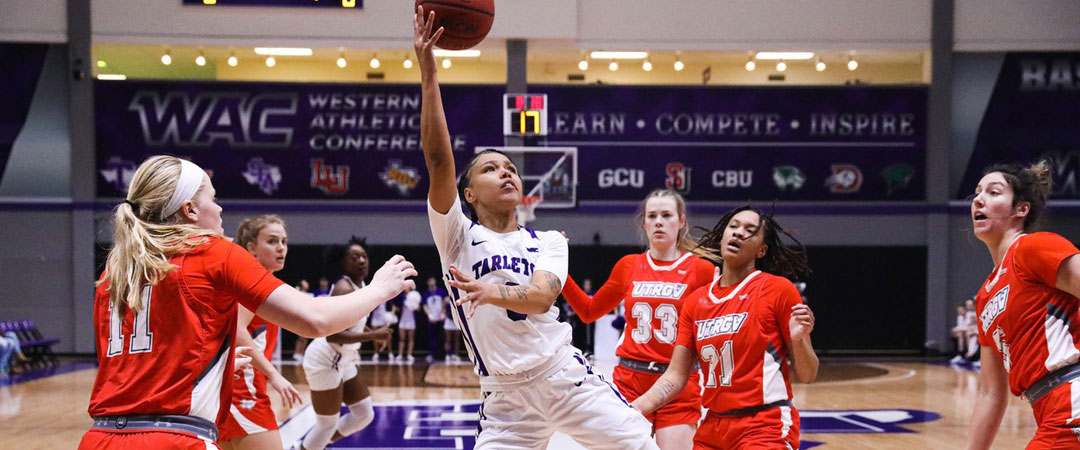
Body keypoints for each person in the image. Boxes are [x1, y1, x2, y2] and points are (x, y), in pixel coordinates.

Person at [414, 8, 657, 449]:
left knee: (643, 447)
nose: (506, 173)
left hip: (564, 377)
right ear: (468, 194)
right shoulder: (456, 236)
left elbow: (542, 296)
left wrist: (489, 292)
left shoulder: (548, 242)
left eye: (510, 167)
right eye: (490, 169)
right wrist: (429, 74)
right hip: (504, 398)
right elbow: (437, 160)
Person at [79, 155, 415, 450]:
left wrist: (218, 364)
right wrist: (380, 289)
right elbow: (315, 319)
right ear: (190, 209)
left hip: (101, 438)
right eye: (214, 198)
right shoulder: (213, 252)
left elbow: (141, 364)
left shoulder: (115, 271)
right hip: (174, 438)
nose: (220, 207)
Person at [631, 205, 818, 450]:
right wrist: (634, 408)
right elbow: (676, 376)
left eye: (749, 231)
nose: (738, 233)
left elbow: (808, 374)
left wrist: (801, 339)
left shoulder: (777, 290)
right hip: (713, 427)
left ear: (762, 250)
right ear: (723, 237)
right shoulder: (696, 302)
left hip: (764, 423)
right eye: (733, 226)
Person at [562, 189, 716, 449]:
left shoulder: (702, 270)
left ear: (681, 222)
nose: (658, 221)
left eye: (666, 215)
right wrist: (559, 272)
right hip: (630, 380)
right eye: (652, 215)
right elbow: (588, 312)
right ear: (644, 223)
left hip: (678, 383)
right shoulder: (628, 265)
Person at [963, 161, 1080, 449]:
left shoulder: (1032, 248)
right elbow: (991, 393)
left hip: (1072, 399)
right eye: (977, 193)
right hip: (1046, 407)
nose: (978, 199)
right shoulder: (984, 297)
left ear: (1021, 209)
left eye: (993, 192)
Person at [219, 215, 304, 450]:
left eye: (284, 242)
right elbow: (236, 330)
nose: (281, 248)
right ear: (251, 249)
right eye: (272, 241)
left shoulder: (262, 282)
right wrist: (274, 375)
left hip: (236, 389)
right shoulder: (250, 282)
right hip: (242, 390)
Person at [300, 236, 393, 450]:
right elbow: (333, 334)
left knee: (363, 414)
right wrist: (373, 336)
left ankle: (317, 445)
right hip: (325, 359)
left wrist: (371, 332)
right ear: (344, 263)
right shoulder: (344, 288)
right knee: (326, 424)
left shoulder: (361, 285)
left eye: (364, 256)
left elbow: (354, 322)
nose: (361, 260)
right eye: (354, 257)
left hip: (344, 359)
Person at [422, 277, 447, 362]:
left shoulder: (441, 291)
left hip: (440, 317)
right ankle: (431, 354)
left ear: (435, 281)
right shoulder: (426, 294)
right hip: (432, 318)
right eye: (429, 281)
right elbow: (425, 306)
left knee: (442, 337)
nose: (431, 282)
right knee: (431, 337)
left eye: (432, 280)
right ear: (427, 282)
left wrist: (443, 312)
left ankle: (443, 354)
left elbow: (445, 300)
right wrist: (429, 315)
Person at [396, 284, 421, 364]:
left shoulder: (414, 295)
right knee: (402, 338)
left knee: (410, 339)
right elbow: (397, 307)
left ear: (410, 287)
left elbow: (418, 308)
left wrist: (413, 305)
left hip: (411, 319)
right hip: (403, 319)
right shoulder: (402, 297)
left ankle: (409, 355)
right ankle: (400, 354)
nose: (405, 288)